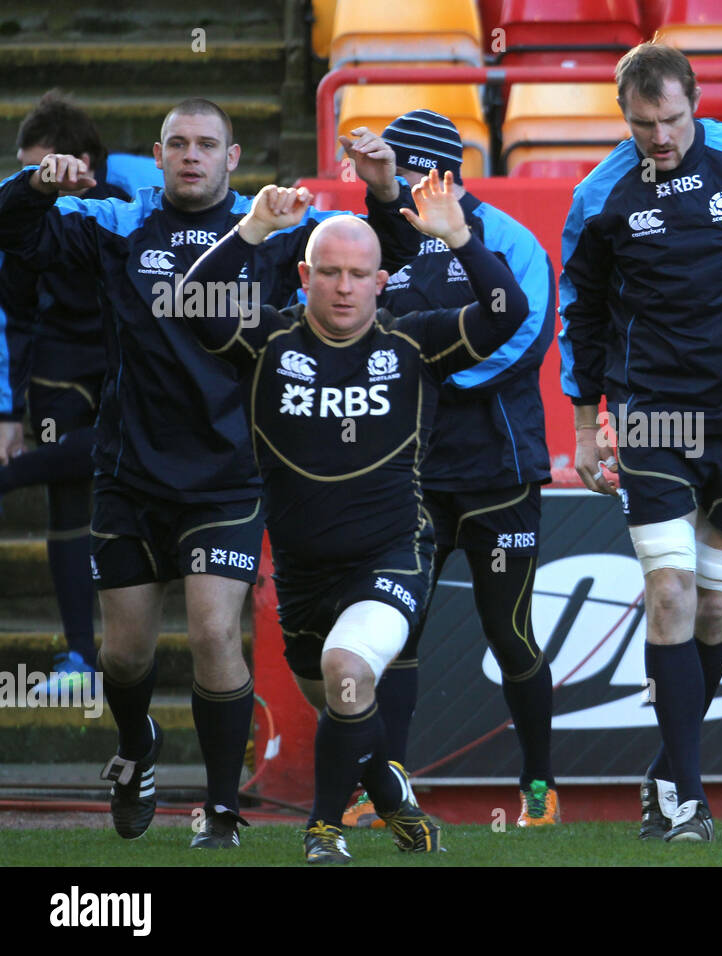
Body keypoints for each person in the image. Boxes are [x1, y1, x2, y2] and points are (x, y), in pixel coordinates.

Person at [0, 97, 419, 849]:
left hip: (230, 474)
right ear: (156, 158)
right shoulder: (118, 222)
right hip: (128, 473)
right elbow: (14, 235)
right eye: (177, 144)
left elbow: (388, 258)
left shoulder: (277, 228)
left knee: (213, 632)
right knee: (123, 653)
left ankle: (222, 812)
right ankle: (137, 748)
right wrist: (33, 184)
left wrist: (384, 189)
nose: (191, 155)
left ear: (232, 159)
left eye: (207, 144)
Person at [183, 173, 528, 862]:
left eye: (359, 274)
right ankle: (393, 798)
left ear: (382, 280)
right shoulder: (269, 343)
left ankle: (324, 828)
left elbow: (506, 312)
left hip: (393, 555)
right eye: (331, 273)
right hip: (305, 574)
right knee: (344, 698)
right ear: (305, 275)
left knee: (347, 669)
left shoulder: (415, 343)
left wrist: (458, 236)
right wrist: (251, 230)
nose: (344, 287)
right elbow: (192, 300)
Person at [558, 42, 722, 842]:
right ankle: (689, 800)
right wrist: (583, 423)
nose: (661, 138)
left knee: (715, 609)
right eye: (644, 125)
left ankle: (668, 771)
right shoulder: (600, 195)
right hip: (653, 417)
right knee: (669, 592)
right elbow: (584, 313)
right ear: (624, 118)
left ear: (695, 103)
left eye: (671, 120)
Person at [337, 110, 559, 831]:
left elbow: (522, 341)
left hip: (500, 471)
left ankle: (539, 787)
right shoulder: (388, 243)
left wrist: (426, 374)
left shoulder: (510, 239)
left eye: (399, 170)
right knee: (396, 629)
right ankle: (384, 786)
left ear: (432, 172)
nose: (391, 184)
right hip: (412, 478)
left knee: (510, 631)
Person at [1, 91, 130, 696]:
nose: (32, 180)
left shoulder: (134, 193)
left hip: (124, 360)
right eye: (25, 170)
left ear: (82, 160)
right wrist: (10, 409)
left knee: (116, 450)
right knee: (66, 502)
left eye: (42, 168)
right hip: (57, 364)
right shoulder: (23, 212)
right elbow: (14, 314)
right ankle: (81, 660)